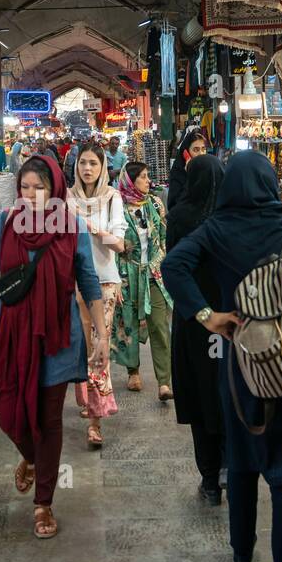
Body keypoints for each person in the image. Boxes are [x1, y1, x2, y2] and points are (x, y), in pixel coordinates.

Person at [160, 151, 282, 562]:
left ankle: (242, 553)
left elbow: (173, 266)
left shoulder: (215, 229)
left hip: (240, 364)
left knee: (242, 462)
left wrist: (208, 316)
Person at [0, 155, 107, 540]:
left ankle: (43, 502)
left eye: (39, 188)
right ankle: (30, 457)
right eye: (25, 187)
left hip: (57, 337)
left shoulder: (71, 226)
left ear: (55, 190)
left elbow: (89, 282)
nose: (30, 196)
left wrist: (102, 335)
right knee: (6, 403)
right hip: (13, 333)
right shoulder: (7, 222)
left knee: (49, 420)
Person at [165, 154, 226, 505]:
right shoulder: (231, 219)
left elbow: (174, 264)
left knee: (200, 394)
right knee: (227, 391)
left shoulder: (180, 216)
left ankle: (209, 480)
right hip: (228, 320)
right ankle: (229, 466)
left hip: (193, 319)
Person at [66, 143, 126, 448]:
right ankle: (87, 400)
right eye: (82, 163)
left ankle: (95, 421)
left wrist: (86, 225)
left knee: (97, 351)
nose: (87, 169)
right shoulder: (66, 198)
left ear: (103, 167)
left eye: (93, 163)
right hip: (72, 283)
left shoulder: (112, 198)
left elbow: (119, 243)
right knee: (80, 346)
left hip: (103, 282)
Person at [112, 161, 173, 400]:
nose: (149, 181)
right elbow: (114, 246)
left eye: (148, 176)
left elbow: (164, 237)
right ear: (131, 181)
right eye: (144, 177)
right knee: (128, 324)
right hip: (127, 276)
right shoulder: (117, 208)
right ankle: (133, 372)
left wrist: (160, 260)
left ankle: (164, 382)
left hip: (153, 275)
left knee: (159, 324)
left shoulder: (156, 205)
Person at [165, 128, 208, 211]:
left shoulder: (209, 170)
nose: (201, 154)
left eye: (203, 149)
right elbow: (175, 206)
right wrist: (190, 174)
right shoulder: (178, 173)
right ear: (186, 153)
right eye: (196, 150)